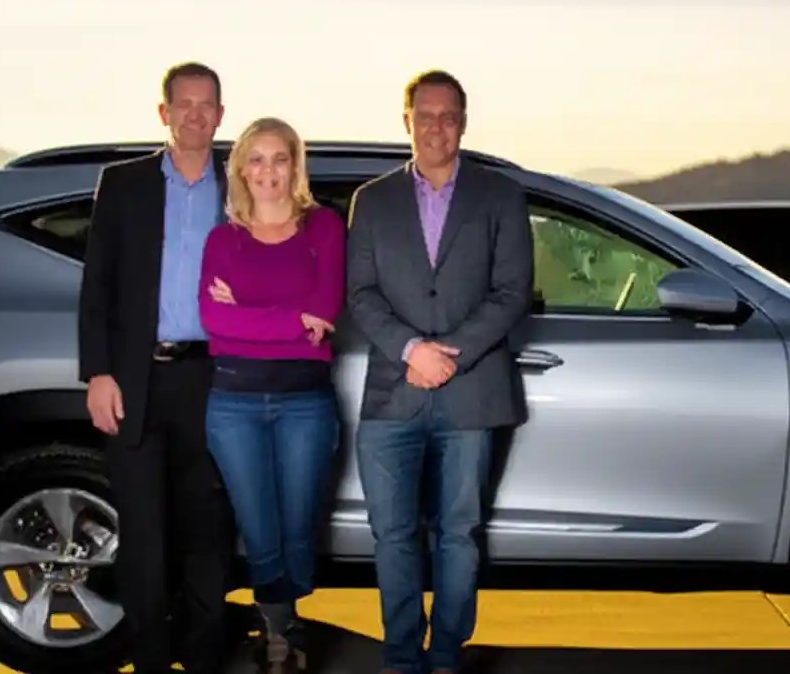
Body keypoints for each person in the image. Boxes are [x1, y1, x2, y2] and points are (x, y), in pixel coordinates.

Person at [346, 69, 534, 674]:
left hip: (471, 392)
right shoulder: (371, 201)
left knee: (459, 534)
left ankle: (447, 654)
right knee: (392, 536)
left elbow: (511, 292)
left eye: (448, 116)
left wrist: (448, 353)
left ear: (463, 122)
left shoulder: (499, 196)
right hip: (392, 393)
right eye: (424, 116)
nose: (436, 127)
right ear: (406, 121)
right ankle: (402, 658)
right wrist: (410, 350)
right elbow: (360, 294)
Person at [78, 61, 234, 673]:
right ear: (163, 112)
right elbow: (98, 287)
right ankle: (149, 660)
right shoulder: (124, 183)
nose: (196, 114)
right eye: (184, 104)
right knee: (143, 533)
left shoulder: (241, 184)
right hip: (136, 381)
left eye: (207, 104)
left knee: (207, 530)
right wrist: (99, 373)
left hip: (216, 381)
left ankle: (203, 658)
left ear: (221, 115)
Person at [198, 116, 345, 672]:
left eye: (279, 159)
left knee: (299, 523)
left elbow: (326, 307)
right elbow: (213, 320)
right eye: (255, 160)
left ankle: (284, 613)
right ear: (240, 170)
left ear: (294, 166)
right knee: (258, 527)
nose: (268, 172)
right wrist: (291, 321)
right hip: (233, 404)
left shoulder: (325, 228)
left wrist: (249, 317)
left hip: (306, 402)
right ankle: (281, 629)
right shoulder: (223, 239)